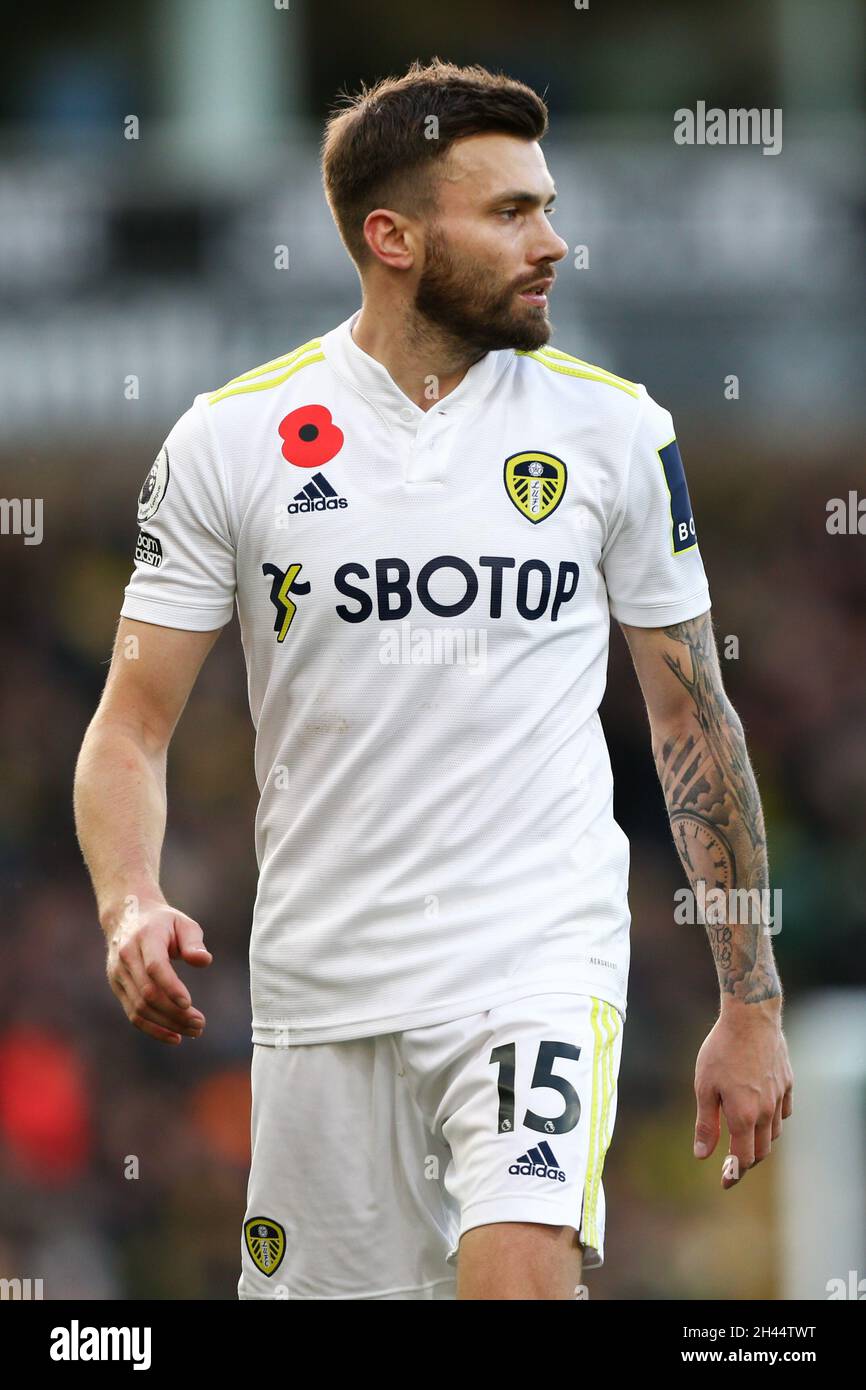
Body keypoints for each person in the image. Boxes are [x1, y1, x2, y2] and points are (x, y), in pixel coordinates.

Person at [73, 58, 793, 1301]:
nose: (553, 242)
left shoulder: (613, 429)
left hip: (532, 962)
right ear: (390, 236)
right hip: (317, 991)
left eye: (547, 205)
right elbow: (130, 727)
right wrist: (129, 902)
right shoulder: (229, 439)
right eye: (510, 213)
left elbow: (690, 719)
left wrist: (750, 1003)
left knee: (516, 1278)